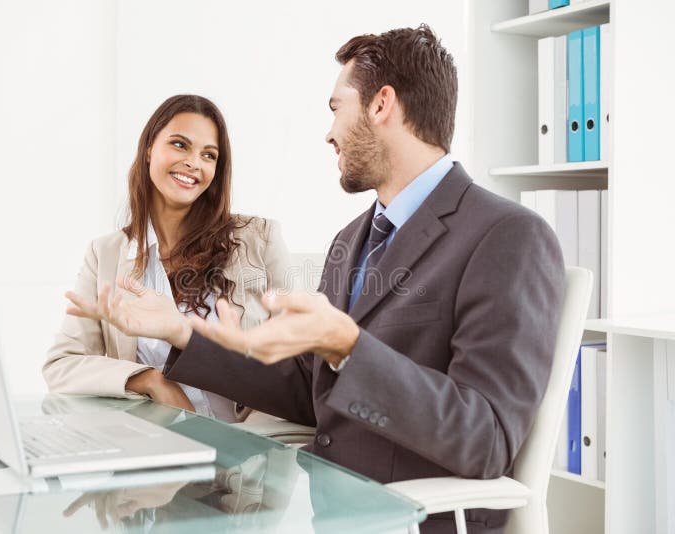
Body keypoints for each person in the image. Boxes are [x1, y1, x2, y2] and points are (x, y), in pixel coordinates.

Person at [69, 26, 565, 534]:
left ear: (382, 105)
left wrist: (348, 345)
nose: (329, 132)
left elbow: (486, 438)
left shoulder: (507, 236)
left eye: (336, 107)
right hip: (323, 509)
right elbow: (311, 388)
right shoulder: (353, 239)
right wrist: (180, 332)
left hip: (410, 519)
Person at [43, 94, 290, 423]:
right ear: (149, 149)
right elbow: (62, 365)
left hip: (248, 456)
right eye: (179, 144)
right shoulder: (106, 254)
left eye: (208, 155)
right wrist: (147, 379)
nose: (193, 163)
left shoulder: (260, 239)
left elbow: (295, 368)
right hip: (160, 451)